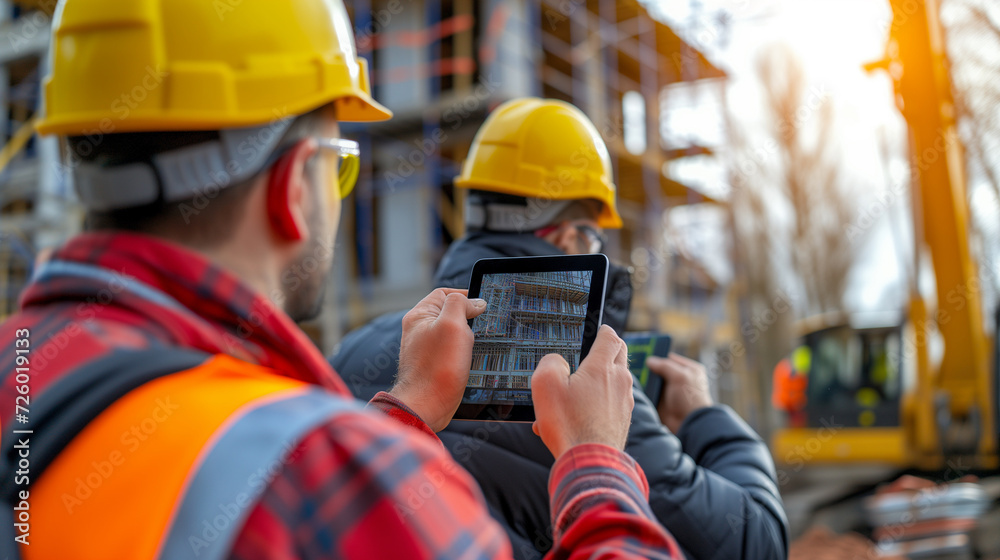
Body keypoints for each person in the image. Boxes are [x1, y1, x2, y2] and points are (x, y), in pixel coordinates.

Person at [0, 3, 683, 559]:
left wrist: (407, 412)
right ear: (297, 184)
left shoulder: (23, 368)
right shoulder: (322, 471)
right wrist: (594, 462)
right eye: (339, 163)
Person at [333, 98, 790, 560]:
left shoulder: (349, 352)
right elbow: (754, 542)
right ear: (568, 237)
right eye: (594, 236)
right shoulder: (577, 379)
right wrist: (704, 419)